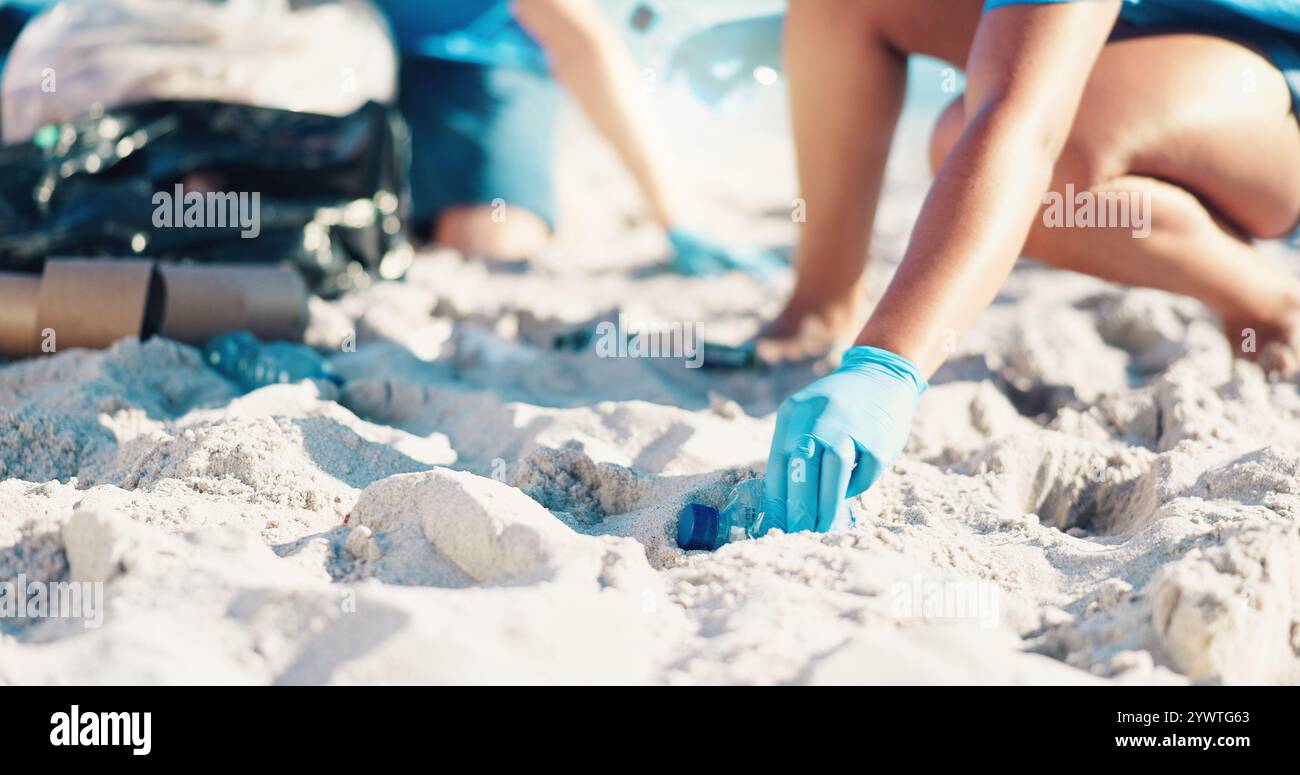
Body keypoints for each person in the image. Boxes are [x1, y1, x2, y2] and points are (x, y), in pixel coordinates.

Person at [763, 0, 1300, 534]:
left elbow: (1025, 125)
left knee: (1022, 158)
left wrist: (887, 365)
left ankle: (1268, 299)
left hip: (1271, 83)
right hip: (1127, 25)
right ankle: (819, 305)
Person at [380, 0, 780, 274]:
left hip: (477, 59)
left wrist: (674, 215)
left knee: (491, 247)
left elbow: (579, 41)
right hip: (358, 37)